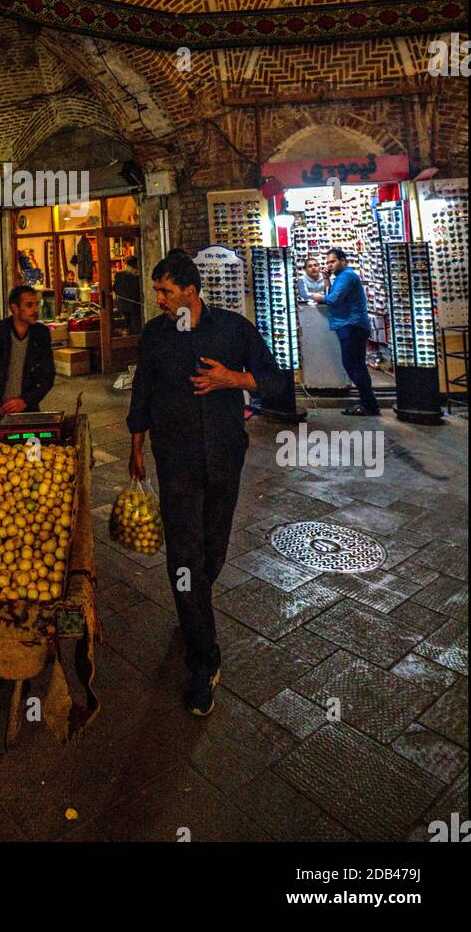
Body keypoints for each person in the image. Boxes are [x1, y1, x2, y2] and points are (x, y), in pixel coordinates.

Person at [126, 249, 284, 718]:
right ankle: (204, 660)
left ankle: (193, 606)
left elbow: (276, 381)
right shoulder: (155, 336)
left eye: (165, 292)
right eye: (156, 291)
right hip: (173, 459)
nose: (157, 299)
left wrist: (231, 379)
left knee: (212, 549)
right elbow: (143, 391)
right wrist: (136, 444)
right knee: (185, 554)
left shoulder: (233, 329)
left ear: (190, 292)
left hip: (222, 458)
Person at [0, 285, 55, 417]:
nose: (36, 310)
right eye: (29, 305)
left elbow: (47, 375)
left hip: (24, 409)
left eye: (37, 304)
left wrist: (26, 401)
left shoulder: (41, 334)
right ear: (14, 308)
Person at [311, 247, 379, 416]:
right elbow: (333, 294)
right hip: (348, 325)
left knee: (353, 365)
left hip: (352, 326)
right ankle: (368, 403)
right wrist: (327, 280)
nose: (330, 265)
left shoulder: (347, 276)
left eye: (333, 261)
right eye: (327, 263)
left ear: (344, 261)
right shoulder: (341, 277)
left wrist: (320, 298)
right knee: (355, 365)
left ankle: (369, 404)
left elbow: (333, 299)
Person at [113, 254, 143, 335]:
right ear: (136, 264)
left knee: (127, 324)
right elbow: (138, 290)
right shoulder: (136, 276)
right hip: (134, 304)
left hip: (122, 304)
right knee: (135, 326)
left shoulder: (118, 274)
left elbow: (115, 288)